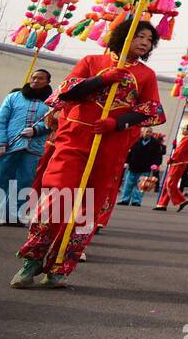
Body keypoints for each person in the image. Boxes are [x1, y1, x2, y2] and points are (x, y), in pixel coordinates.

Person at [12, 18, 165, 288]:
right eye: (140, 36)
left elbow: (150, 110)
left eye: (149, 40)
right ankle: (32, 259)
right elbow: (65, 93)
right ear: (123, 35)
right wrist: (101, 79)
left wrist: (117, 123)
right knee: (57, 197)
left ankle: (60, 266)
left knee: (87, 208)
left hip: (111, 145)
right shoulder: (92, 61)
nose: (144, 42)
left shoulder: (146, 75)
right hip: (75, 139)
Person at [0, 68, 53, 224]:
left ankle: (14, 215)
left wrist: (36, 130)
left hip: (32, 149)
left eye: (40, 78)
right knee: (0, 178)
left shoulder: (50, 104)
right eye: (34, 77)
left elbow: (51, 124)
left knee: (24, 181)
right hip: (9, 146)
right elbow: (0, 121)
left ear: (47, 82)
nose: (35, 80)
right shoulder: (13, 97)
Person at [118, 126, 164, 208]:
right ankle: (125, 199)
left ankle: (136, 201)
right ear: (142, 132)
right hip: (133, 165)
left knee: (141, 185)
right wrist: (126, 162)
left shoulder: (155, 143)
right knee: (128, 184)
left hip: (145, 167)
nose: (148, 133)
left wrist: (156, 164)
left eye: (150, 132)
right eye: (146, 131)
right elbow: (129, 152)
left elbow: (158, 155)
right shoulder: (135, 141)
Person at [154, 125, 188, 211]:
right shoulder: (185, 139)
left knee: (170, 183)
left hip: (178, 164)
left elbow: (180, 152)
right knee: (166, 184)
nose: (183, 130)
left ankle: (182, 200)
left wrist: (172, 159)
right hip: (176, 164)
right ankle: (162, 204)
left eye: (184, 129)